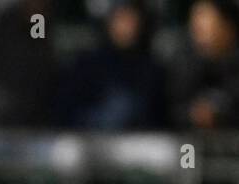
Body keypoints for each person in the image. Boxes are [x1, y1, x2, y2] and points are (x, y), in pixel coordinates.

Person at [58, 0, 168, 130]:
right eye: (120, 18)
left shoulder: (153, 70)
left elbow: (160, 119)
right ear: (108, 22)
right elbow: (68, 112)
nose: (127, 26)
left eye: (131, 19)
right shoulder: (87, 66)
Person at [171, 0, 239, 129]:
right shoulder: (184, 63)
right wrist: (193, 115)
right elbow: (174, 109)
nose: (197, 28)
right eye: (195, 21)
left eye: (205, 20)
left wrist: (221, 115)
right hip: (191, 144)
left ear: (228, 27)